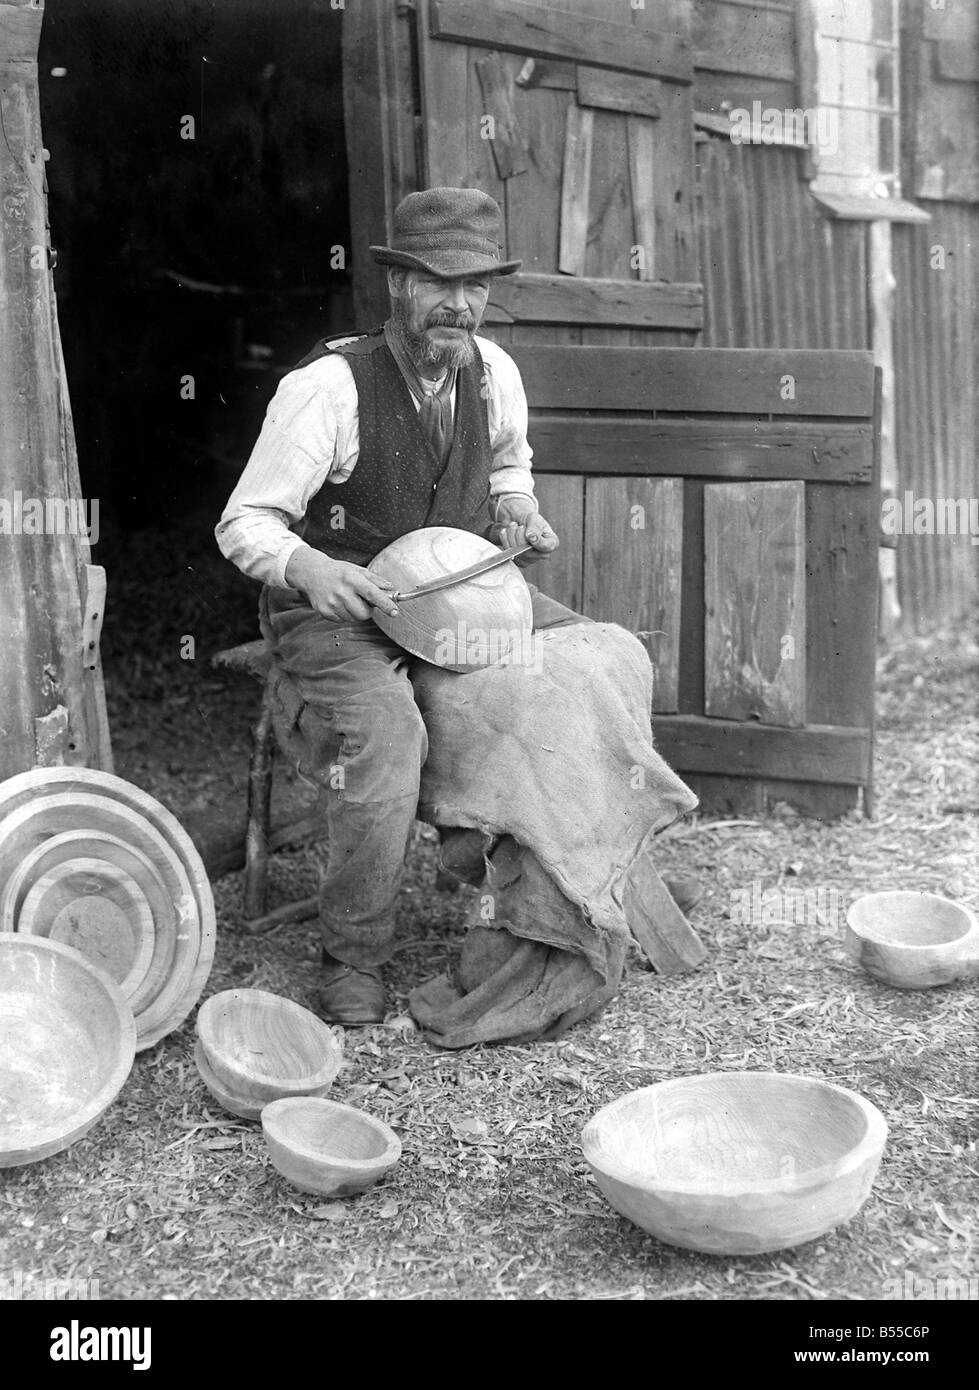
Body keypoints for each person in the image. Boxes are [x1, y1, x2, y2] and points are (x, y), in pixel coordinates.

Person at [217, 186, 700, 1028]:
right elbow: (244, 521)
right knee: (388, 737)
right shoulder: (327, 387)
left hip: (463, 586)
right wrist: (309, 568)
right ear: (398, 284)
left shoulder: (494, 372)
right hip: (344, 604)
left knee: (599, 658)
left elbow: (510, 467)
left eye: (476, 284)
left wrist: (515, 510)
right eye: (440, 282)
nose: (460, 303)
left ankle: (592, 868)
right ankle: (352, 952)